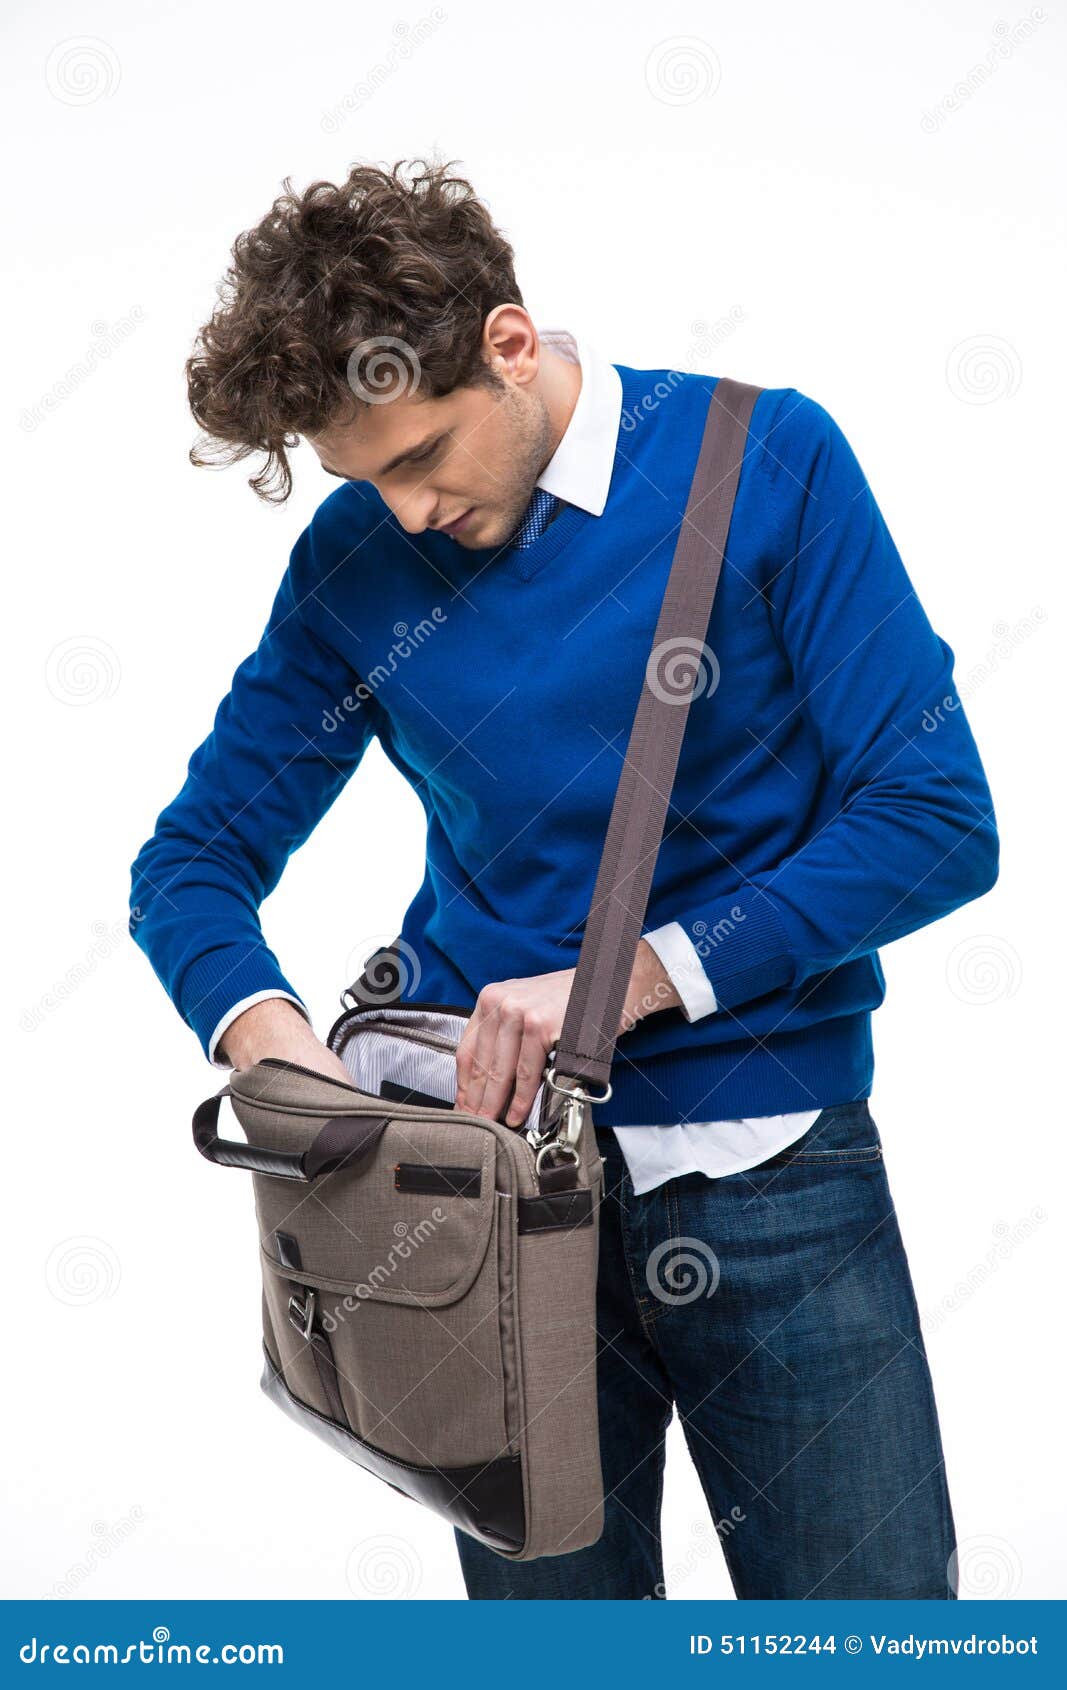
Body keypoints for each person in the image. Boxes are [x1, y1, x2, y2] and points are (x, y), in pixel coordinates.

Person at [130, 158, 998, 1600]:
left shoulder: (765, 460)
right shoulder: (357, 563)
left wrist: (630, 976)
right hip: (478, 1200)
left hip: (773, 1169)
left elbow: (934, 817)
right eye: (365, 480)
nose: (401, 512)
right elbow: (192, 862)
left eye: (417, 460)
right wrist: (274, 1050)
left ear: (510, 346)